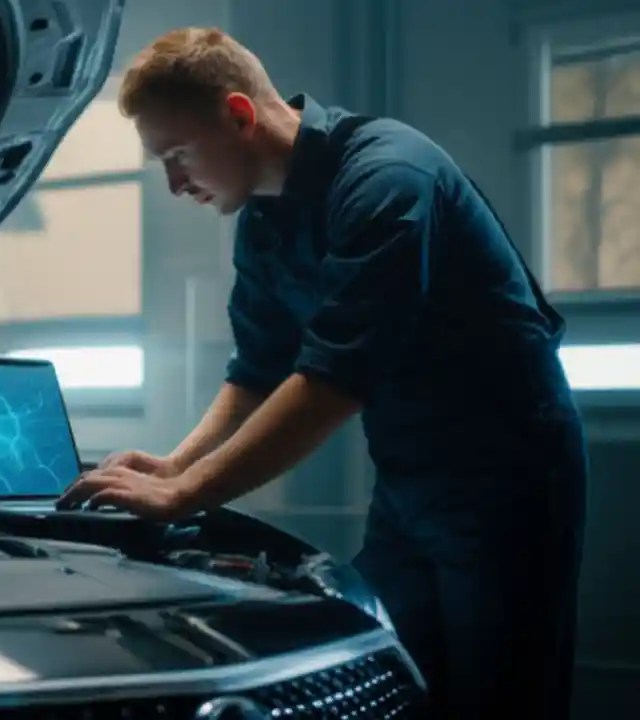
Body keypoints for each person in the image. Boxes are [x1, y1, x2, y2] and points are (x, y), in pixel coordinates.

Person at [56, 27, 587, 719]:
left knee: (501, 698)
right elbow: (258, 370)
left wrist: (185, 496)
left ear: (240, 115)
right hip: (407, 485)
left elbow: (335, 380)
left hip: (512, 480)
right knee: (393, 685)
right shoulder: (263, 218)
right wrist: (172, 466)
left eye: (178, 155)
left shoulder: (390, 178)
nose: (175, 183)